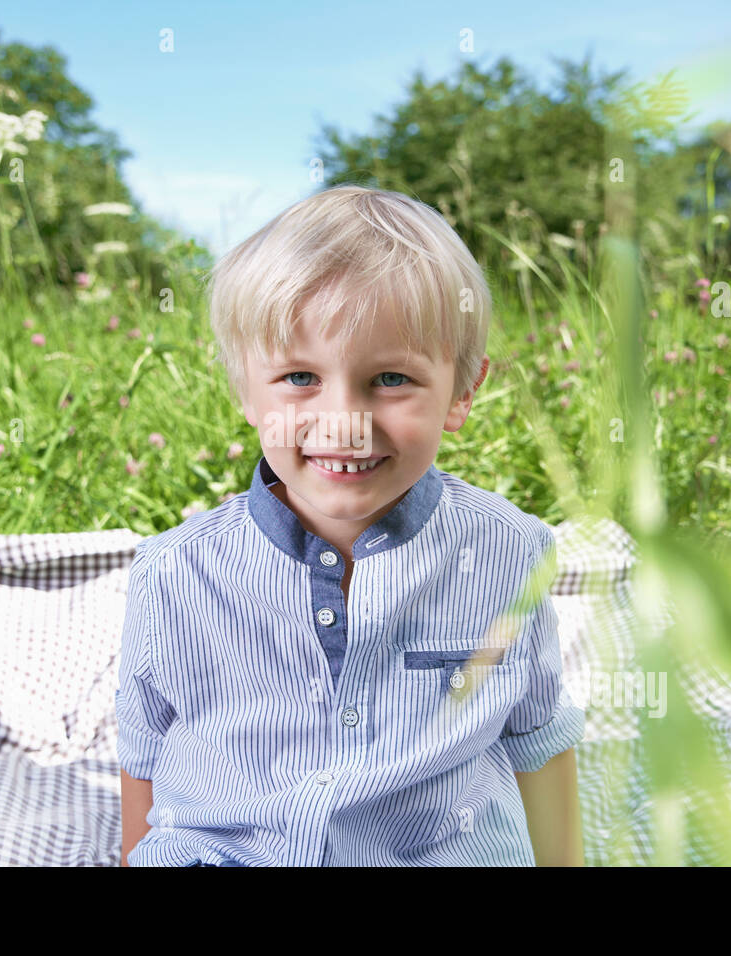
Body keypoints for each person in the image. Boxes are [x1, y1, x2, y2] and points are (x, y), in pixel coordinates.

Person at [117, 184, 585, 866]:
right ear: (246, 390)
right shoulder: (173, 571)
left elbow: (537, 737)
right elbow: (146, 752)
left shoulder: (508, 552)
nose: (344, 421)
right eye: (300, 376)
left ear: (462, 393)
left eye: (391, 379)